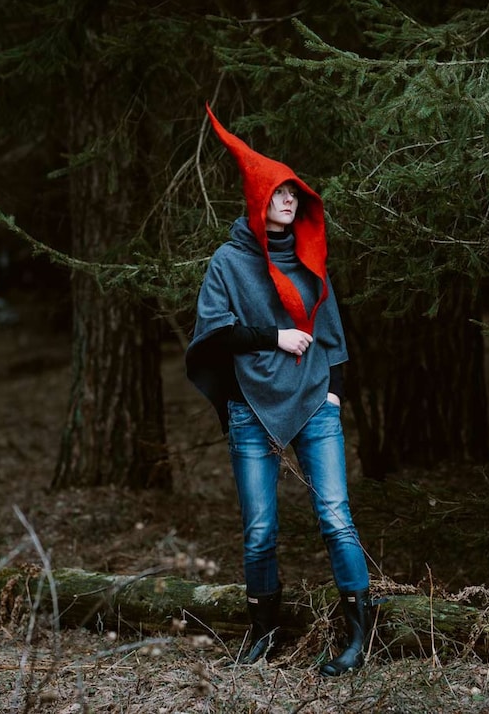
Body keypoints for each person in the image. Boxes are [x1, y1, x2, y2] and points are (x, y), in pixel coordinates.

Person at [186, 103, 375, 676]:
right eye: (278, 194)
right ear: (256, 200)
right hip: (250, 407)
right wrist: (276, 335)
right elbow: (214, 336)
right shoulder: (227, 263)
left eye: (294, 193)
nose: (289, 201)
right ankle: (264, 632)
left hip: (316, 403)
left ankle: (359, 635)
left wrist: (336, 391)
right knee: (261, 528)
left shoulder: (310, 258)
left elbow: (333, 334)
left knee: (336, 517)